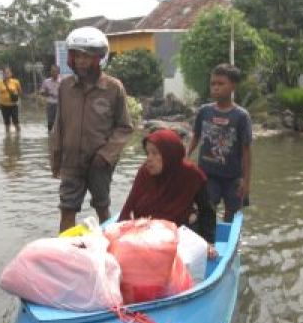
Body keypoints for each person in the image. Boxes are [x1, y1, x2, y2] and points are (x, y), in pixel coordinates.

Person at [49, 26, 133, 232]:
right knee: (67, 209)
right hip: (71, 162)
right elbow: (59, 125)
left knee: (102, 207)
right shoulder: (65, 87)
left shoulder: (114, 88)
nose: (81, 61)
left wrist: (106, 155)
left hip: (100, 163)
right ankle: (65, 256)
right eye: (77, 56)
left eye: (87, 57)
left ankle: (108, 252)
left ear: (99, 58)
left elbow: (125, 127)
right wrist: (55, 157)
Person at [119, 129, 217, 250]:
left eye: (155, 153)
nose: (149, 159)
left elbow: (207, 211)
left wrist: (208, 243)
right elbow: (129, 207)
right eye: (148, 153)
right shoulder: (144, 173)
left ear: (169, 155)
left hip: (180, 235)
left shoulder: (191, 174)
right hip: (147, 233)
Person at [187, 63, 252, 221]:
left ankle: (229, 242)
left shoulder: (241, 116)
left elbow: (246, 151)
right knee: (206, 209)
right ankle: (208, 240)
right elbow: (195, 137)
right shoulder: (204, 111)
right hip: (208, 175)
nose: (216, 87)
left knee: (232, 213)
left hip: (233, 177)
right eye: (213, 84)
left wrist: (246, 181)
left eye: (221, 84)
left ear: (233, 86)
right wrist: (185, 156)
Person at [0, 67, 21, 131]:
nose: (7, 74)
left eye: (8, 73)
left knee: (16, 122)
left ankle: (19, 135)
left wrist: (15, 95)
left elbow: (20, 92)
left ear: (11, 73)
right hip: (3, 106)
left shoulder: (16, 82)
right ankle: (7, 137)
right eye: (5, 73)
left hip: (13, 105)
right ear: (3, 74)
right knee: (7, 123)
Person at [39, 64, 61, 132]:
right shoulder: (46, 81)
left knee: (60, 122)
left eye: (55, 71)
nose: (53, 73)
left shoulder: (62, 81)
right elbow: (41, 92)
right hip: (50, 104)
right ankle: (50, 137)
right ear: (50, 72)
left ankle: (58, 138)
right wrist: (49, 93)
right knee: (50, 122)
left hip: (60, 104)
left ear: (58, 72)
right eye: (52, 71)